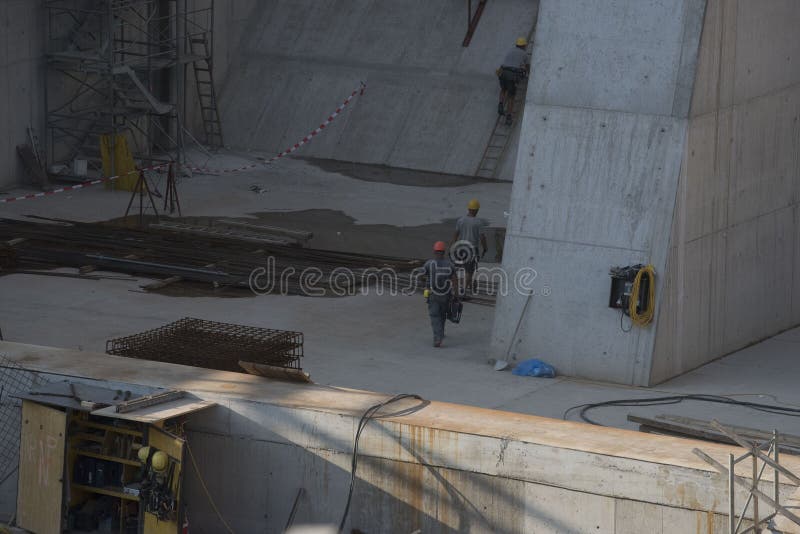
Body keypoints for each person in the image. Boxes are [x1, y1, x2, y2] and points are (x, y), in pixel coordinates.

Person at [452, 199, 488, 297]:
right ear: (477, 210)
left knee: (458, 269)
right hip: (472, 250)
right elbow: (482, 237)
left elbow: (456, 234)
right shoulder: (478, 222)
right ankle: (463, 291)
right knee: (469, 271)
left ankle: (456, 288)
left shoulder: (460, 220)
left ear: (468, 209)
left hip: (461, 248)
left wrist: (454, 246)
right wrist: (485, 248)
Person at [424, 241, 456, 347]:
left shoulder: (429, 264)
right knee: (442, 314)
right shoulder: (450, 265)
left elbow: (422, 274)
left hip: (433, 294)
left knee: (435, 316)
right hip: (446, 295)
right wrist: (456, 294)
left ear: (434, 252)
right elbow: (454, 279)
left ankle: (438, 338)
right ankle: (440, 333)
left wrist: (426, 285)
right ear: (444, 252)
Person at [497, 37, 530, 125]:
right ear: (523, 46)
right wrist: (528, 73)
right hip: (512, 75)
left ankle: (500, 104)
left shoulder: (510, 50)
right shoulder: (524, 54)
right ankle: (509, 117)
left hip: (503, 72)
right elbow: (527, 66)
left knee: (503, 89)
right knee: (511, 97)